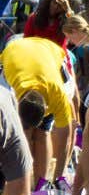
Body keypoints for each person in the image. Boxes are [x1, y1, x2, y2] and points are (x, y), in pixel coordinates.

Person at [1, 34, 76, 186]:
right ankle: (24, 181)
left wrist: (58, 178)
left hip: (51, 52)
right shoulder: (6, 90)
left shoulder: (59, 95)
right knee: (21, 136)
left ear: (47, 109)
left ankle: (41, 182)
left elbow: (65, 140)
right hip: (15, 51)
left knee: (43, 132)